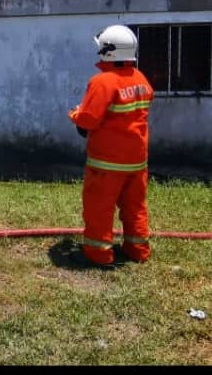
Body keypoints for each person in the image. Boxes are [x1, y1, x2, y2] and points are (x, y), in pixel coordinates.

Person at [67, 24, 154, 266]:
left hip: (107, 163)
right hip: (136, 163)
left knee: (99, 209)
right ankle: (137, 250)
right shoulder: (140, 79)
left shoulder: (103, 82)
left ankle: (98, 255)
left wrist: (75, 114)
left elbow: (88, 120)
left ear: (108, 51)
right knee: (135, 207)